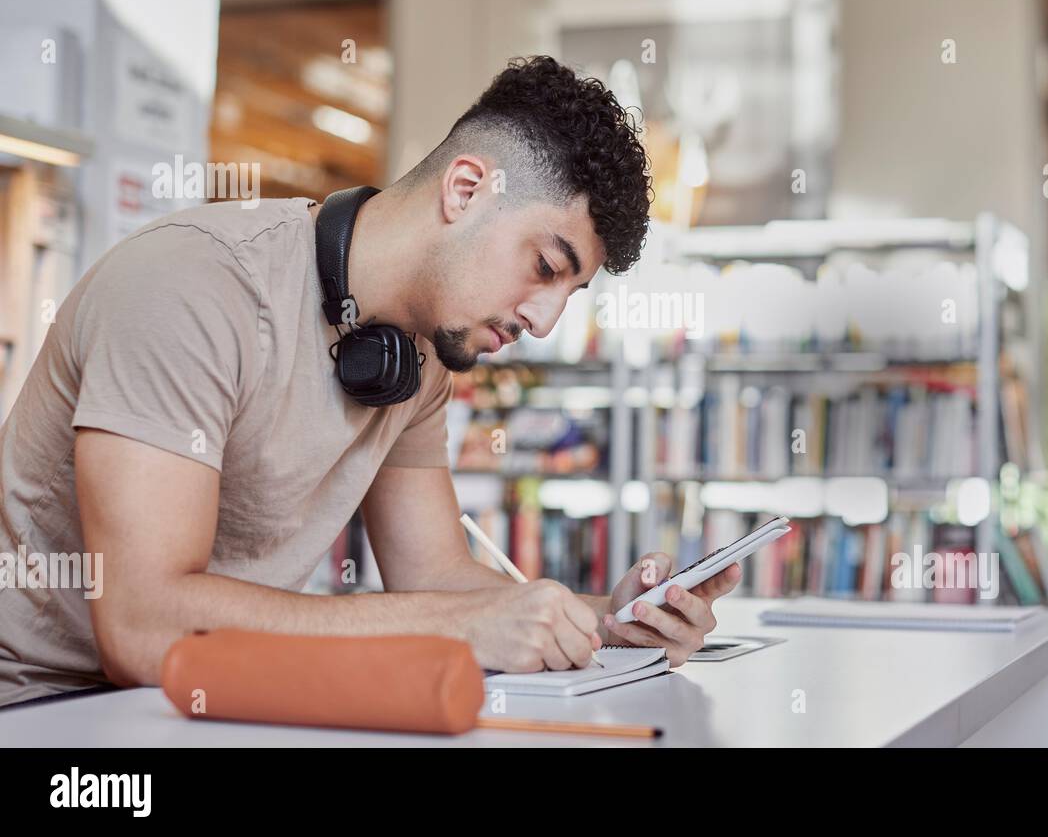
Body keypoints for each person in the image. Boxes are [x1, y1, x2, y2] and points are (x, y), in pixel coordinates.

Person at [0, 55, 741, 708]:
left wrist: (610, 626)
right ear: (466, 189)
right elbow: (140, 623)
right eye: (545, 267)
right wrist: (457, 626)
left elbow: (436, 576)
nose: (544, 321)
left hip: (199, 699)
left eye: (568, 294)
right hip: (37, 703)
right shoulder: (190, 288)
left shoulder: (416, 362)